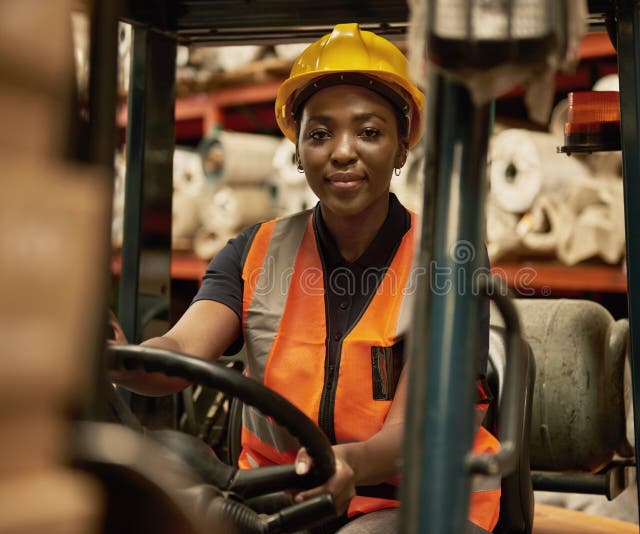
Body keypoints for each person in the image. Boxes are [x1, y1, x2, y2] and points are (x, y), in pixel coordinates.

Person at [110, 23, 500, 533]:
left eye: (369, 131)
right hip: (271, 497)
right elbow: (179, 353)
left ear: (403, 148)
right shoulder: (253, 252)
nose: (341, 152)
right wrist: (119, 355)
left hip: (412, 505)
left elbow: (415, 431)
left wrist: (348, 466)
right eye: (319, 133)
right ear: (297, 152)